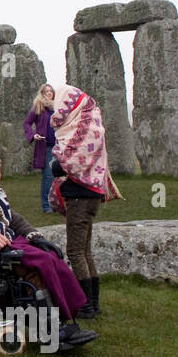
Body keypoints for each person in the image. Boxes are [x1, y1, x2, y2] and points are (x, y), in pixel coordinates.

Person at [0, 145, 96, 348]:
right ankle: (50, 330)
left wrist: (34, 235)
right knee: (40, 264)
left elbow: (10, 217)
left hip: (5, 243)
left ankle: (64, 316)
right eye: (0, 168)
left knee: (49, 254)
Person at [49, 85, 123, 320]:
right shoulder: (91, 126)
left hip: (79, 196)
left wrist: (55, 165)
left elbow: (65, 164)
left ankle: (84, 305)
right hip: (91, 195)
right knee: (85, 251)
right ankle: (93, 303)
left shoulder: (78, 133)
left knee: (75, 251)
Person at [23, 83, 58, 213]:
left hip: (59, 146)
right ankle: (46, 205)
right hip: (46, 146)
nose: (49, 93)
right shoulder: (39, 107)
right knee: (48, 176)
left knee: (57, 176)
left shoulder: (58, 107)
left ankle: (55, 203)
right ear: (42, 93)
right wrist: (33, 135)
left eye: (51, 91)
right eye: (46, 91)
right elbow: (26, 123)